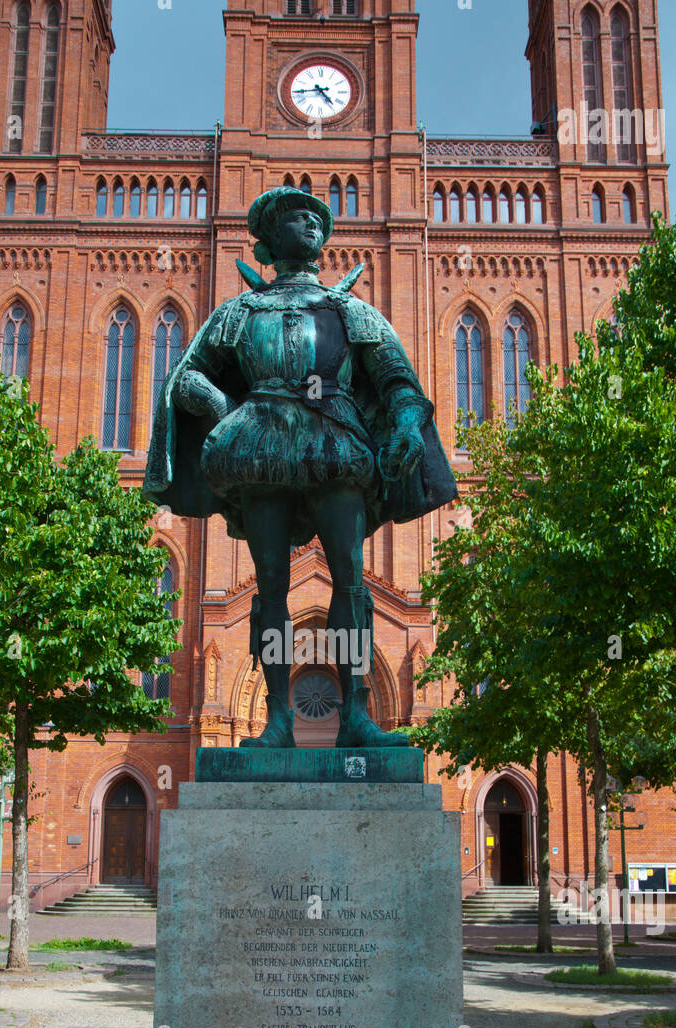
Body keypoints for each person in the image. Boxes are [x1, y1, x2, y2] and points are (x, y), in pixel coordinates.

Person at [144, 185, 457, 749]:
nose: (310, 223)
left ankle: (356, 714)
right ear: (268, 239)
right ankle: (279, 720)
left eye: (317, 219)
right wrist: (229, 414)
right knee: (269, 589)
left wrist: (408, 425)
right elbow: (186, 377)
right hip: (260, 455)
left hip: (336, 449)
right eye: (295, 217)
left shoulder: (351, 311)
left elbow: (399, 384)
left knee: (349, 582)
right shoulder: (239, 312)